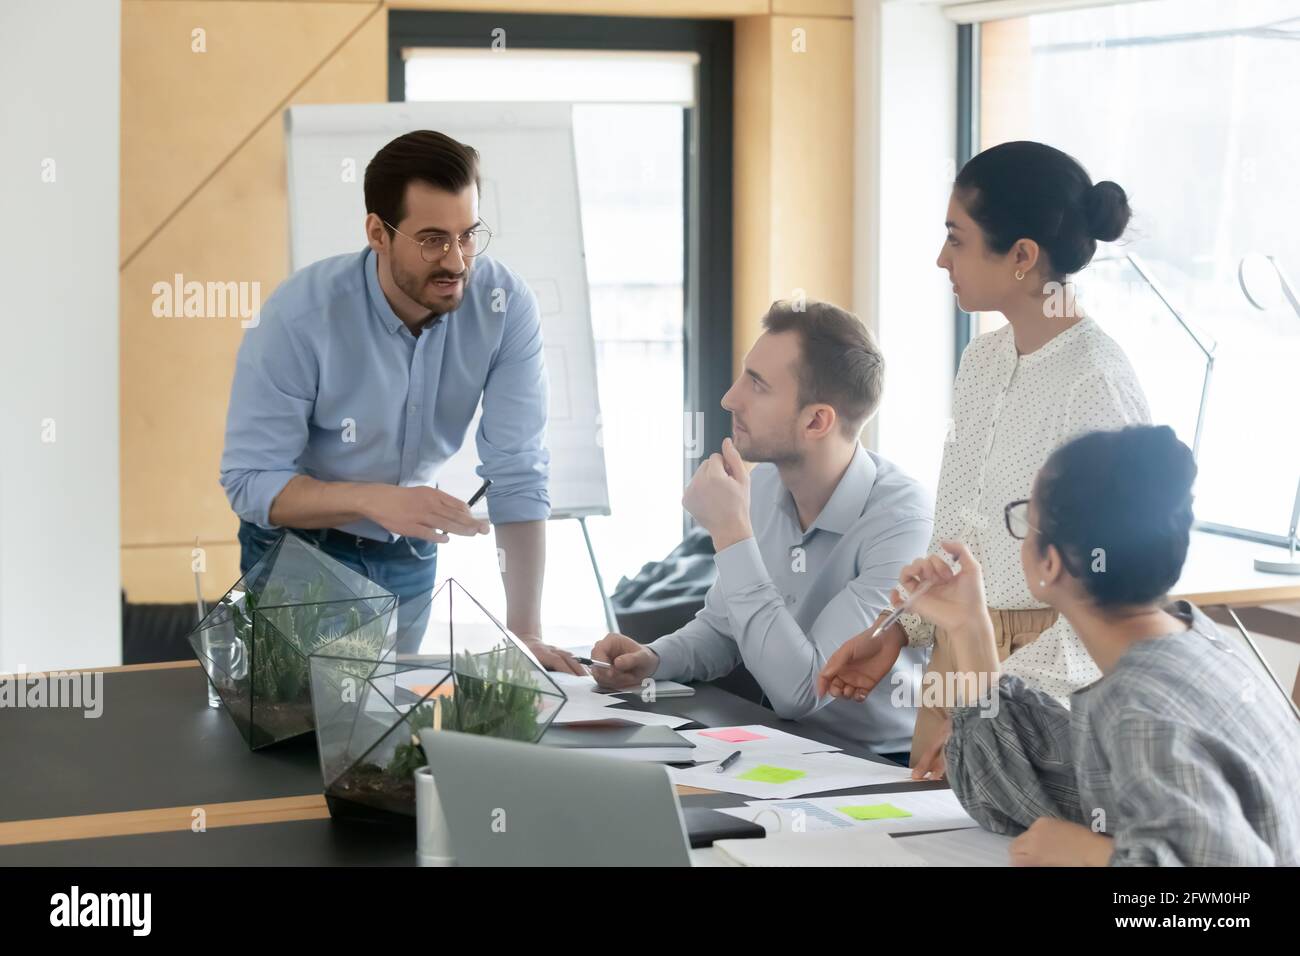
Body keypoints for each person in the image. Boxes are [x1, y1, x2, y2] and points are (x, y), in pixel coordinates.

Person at [818, 141, 1150, 773]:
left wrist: (995, 699)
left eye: (957, 239)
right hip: (956, 655)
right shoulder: (981, 361)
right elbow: (959, 539)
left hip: (1047, 680)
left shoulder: (1097, 383)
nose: (941, 258)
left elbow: (1116, 597)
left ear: (1022, 256)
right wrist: (900, 631)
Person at [220, 130, 582, 672]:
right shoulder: (299, 316)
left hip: (409, 555)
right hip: (299, 551)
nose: (457, 261)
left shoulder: (504, 307)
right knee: (294, 738)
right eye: (433, 239)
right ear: (378, 233)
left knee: (383, 740)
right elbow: (249, 482)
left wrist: (524, 632)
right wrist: (373, 498)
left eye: (468, 235)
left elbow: (520, 472)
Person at [855, 426, 1300, 865]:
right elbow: (1017, 780)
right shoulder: (1197, 641)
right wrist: (971, 625)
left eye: (1026, 517)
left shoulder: (1138, 708)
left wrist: (1089, 855)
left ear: (1050, 561)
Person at [590, 301, 932, 758]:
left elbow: (805, 689)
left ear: (817, 421)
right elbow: (723, 628)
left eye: (757, 385)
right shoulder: (766, 484)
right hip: (787, 745)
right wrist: (654, 659)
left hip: (880, 765)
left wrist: (731, 534)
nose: (730, 398)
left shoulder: (903, 524)